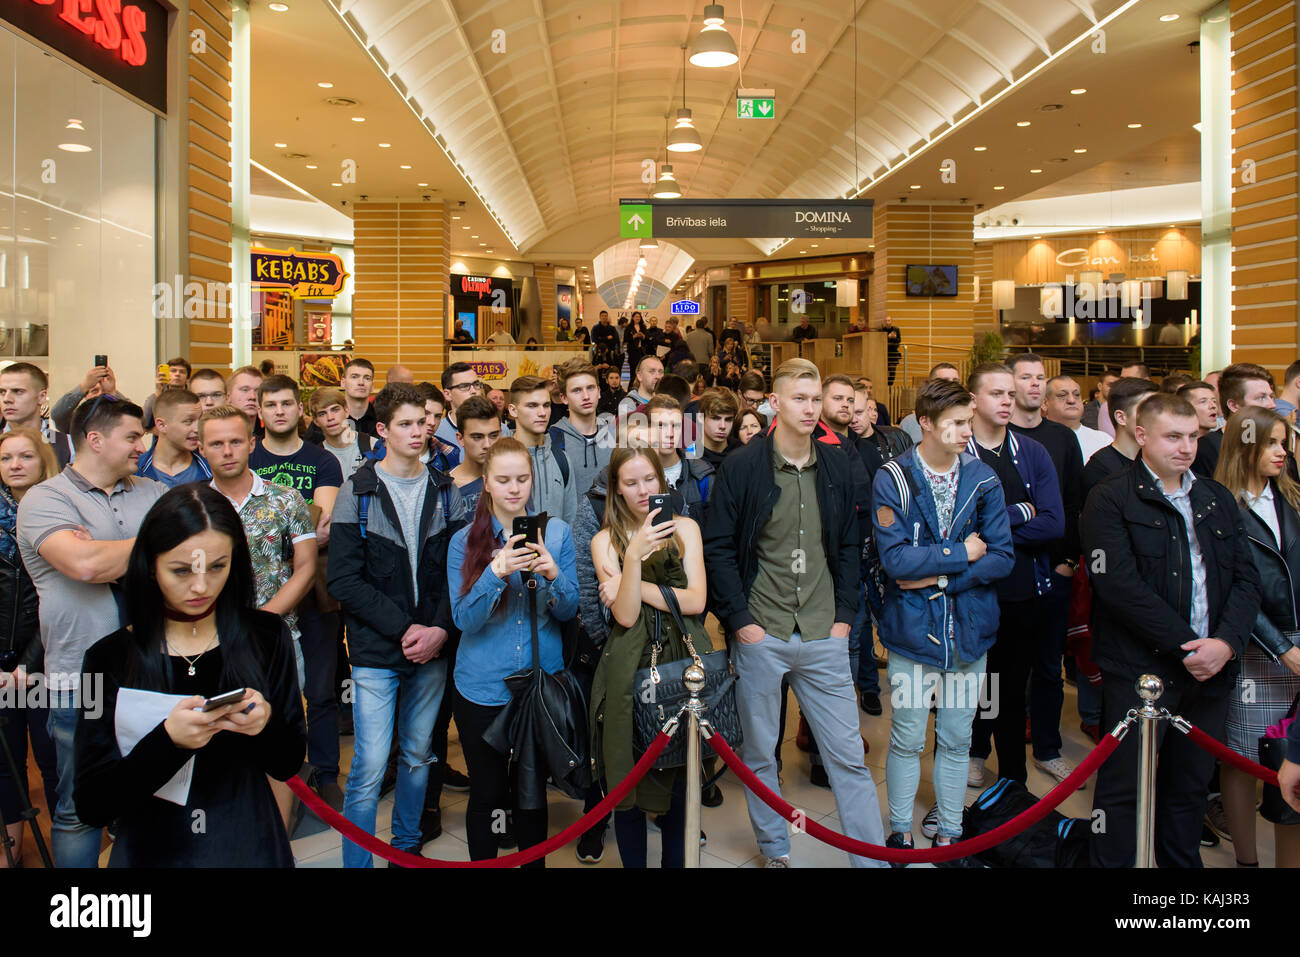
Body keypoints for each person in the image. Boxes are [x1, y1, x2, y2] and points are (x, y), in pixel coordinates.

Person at [703, 357, 888, 868]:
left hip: (826, 631)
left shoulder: (836, 462)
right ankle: (776, 852)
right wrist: (741, 622)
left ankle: (869, 859)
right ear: (775, 403)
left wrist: (845, 615)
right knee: (761, 755)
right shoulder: (742, 467)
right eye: (800, 399)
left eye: (816, 399)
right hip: (763, 631)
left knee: (848, 758)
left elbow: (850, 542)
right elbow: (718, 548)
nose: (810, 409)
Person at [73, 484, 306, 866]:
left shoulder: (266, 636)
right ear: (150, 565)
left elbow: (288, 761)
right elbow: (92, 804)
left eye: (218, 567)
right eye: (181, 571)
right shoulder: (107, 660)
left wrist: (265, 726)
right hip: (153, 848)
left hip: (246, 839)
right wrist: (167, 742)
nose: (201, 587)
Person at [1083, 391, 1261, 867]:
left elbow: (1246, 578)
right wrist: (1188, 647)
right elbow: (1116, 585)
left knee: (1189, 787)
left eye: (1193, 437)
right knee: (1125, 789)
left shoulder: (1215, 496)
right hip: (1143, 670)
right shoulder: (1110, 496)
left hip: (1213, 669)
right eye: (1173, 437)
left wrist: (1224, 644)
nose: (1186, 447)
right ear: (1141, 435)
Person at [15, 395, 167, 866]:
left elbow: (185, 560)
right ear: (95, 440)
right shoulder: (46, 499)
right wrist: (154, 544)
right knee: (79, 808)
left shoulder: (154, 493)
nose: (141, 446)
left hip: (153, 670)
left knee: (154, 799)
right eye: (132, 437)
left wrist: (108, 552)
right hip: (78, 680)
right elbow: (83, 564)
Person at [872, 378, 1014, 864]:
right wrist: (960, 551)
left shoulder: (983, 479)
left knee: (957, 739)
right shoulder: (893, 478)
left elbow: (1002, 556)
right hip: (914, 635)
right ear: (925, 424)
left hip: (969, 633)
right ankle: (899, 830)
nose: (964, 432)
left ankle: (951, 829)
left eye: (967, 422)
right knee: (907, 737)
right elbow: (896, 563)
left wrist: (944, 578)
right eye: (954, 423)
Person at [328, 383, 467, 866]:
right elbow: (343, 580)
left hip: (433, 645)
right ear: (383, 430)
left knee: (417, 754)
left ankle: (405, 849)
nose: (418, 431)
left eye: (422, 423)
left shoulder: (447, 492)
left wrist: (440, 630)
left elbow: (461, 572)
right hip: (376, 651)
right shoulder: (357, 492)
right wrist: (405, 629)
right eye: (405, 424)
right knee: (367, 767)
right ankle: (358, 861)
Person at [447, 437, 577, 866]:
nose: (514, 488)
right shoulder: (464, 541)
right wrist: (494, 573)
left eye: (522, 479)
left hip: (537, 686)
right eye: (503, 480)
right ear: (485, 483)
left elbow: (571, 608)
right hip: (481, 685)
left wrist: (552, 575)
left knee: (531, 793)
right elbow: (463, 621)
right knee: (487, 793)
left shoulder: (556, 533)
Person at [589, 445, 711, 868]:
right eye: (630, 483)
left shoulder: (686, 529)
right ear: (616, 490)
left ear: (662, 481)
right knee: (628, 770)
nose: (643, 491)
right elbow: (623, 615)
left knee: (679, 769)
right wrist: (634, 554)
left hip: (683, 656)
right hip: (630, 664)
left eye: (649, 480)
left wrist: (629, 583)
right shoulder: (604, 540)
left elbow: (696, 601)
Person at [201, 405, 320, 817]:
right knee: (217, 751)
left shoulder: (285, 499)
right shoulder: (192, 503)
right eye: (216, 443)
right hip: (208, 646)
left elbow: (305, 568)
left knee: (281, 751)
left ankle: (277, 848)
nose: (228, 451)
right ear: (202, 448)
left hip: (277, 642)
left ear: (252, 443)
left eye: (236, 441)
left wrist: (261, 622)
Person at [963, 363, 1068, 788]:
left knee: (1010, 687)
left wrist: (992, 528)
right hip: (970, 591)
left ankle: (1013, 781)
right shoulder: (957, 452)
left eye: (1011, 393)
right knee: (974, 687)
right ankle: (973, 751)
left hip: (1023, 591)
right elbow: (953, 527)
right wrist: (1021, 513)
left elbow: (1054, 522)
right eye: (997, 394)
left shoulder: (1033, 452)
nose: (1008, 401)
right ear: (973, 400)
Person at [1213, 407, 1300, 867]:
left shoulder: (1293, 499)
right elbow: (1235, 593)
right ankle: (1247, 862)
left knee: (1295, 760)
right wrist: (1284, 649)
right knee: (1243, 759)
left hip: (1297, 639)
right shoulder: (1221, 506)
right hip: (1254, 647)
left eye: (1284, 443)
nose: (1282, 452)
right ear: (1244, 446)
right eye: (1271, 443)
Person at [1004, 353, 1085, 783]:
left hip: (1053, 569)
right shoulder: (996, 438)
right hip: (1003, 572)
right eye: (1026, 378)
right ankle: (984, 749)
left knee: (1048, 665)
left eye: (1040, 378)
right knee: (997, 668)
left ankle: (1048, 747)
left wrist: (1069, 560)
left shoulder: (1061, 439)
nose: (1034, 385)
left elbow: (1072, 507)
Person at [0, 429, 59, 867]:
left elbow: (57, 598)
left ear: (43, 461)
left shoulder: (59, 512)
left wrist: (27, 664)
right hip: (1, 667)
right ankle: (12, 853)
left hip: (47, 661)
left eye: (25, 456)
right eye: (6, 458)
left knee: (53, 758)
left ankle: (69, 851)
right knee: (6, 765)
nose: (15, 464)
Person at [508, 376, 577, 527]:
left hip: (554, 550)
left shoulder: (561, 459)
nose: (542, 413)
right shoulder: (500, 459)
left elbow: (570, 523)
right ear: (513, 410)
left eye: (546, 405)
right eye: (532, 405)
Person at [1193, 363, 1277, 478]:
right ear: (1234, 405)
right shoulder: (1207, 450)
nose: (1272, 405)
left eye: (1271, 397)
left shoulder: (1278, 447)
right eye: (1261, 398)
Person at [1083, 377, 1160, 499]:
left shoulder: (1158, 460)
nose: (1156, 417)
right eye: (1147, 410)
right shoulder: (1100, 469)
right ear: (1121, 417)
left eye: (1158, 410)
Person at [550, 360, 613, 502]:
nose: (585, 396)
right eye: (576, 390)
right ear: (564, 398)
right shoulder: (554, 439)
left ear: (598, 392)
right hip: (570, 523)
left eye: (590, 388)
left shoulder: (615, 435)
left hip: (613, 522)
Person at [646, 396, 713, 525]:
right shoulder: (632, 474)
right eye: (661, 425)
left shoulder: (702, 476)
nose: (670, 433)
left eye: (675, 426)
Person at [0, 362, 73, 467]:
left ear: (41, 397)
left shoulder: (68, 445)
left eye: (18, 391)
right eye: (2, 392)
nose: (7, 399)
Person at [136, 389, 212, 488]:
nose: (198, 429)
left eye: (200, 420)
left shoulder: (211, 468)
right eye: (189, 421)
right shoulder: (135, 470)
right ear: (162, 425)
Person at [308, 386, 372, 480]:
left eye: (335, 410)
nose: (330, 417)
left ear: (346, 411)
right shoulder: (314, 458)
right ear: (316, 421)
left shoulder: (373, 446)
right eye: (322, 414)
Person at [1043, 374, 1110, 463]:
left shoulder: (1104, 440)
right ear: (1044, 403)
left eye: (1077, 395)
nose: (1071, 400)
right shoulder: (1035, 441)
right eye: (1062, 395)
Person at [898, 363, 961, 444]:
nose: (952, 386)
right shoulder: (910, 424)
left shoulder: (968, 421)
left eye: (955, 382)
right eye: (945, 381)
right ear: (932, 385)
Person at [436, 362, 485, 455]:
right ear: (447, 394)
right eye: (464, 386)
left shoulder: (499, 429)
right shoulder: (437, 432)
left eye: (476, 384)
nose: (473, 391)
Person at [1097, 362, 1151, 438]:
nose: (1123, 384)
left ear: (1146, 381)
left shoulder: (1156, 405)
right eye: (1122, 379)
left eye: (1129, 380)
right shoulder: (1109, 406)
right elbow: (1109, 440)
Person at [141, 356, 191, 431]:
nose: (177, 374)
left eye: (182, 372)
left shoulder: (193, 399)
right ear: (167, 374)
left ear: (188, 378)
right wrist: (158, 391)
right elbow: (144, 423)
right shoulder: (157, 396)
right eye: (173, 371)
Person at [698, 388, 739, 468]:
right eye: (715, 418)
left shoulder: (741, 452)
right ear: (700, 417)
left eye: (728, 419)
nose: (722, 426)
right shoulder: (690, 455)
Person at [226, 366, 264, 437]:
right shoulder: (216, 435)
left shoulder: (270, 437)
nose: (252, 397)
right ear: (228, 397)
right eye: (245, 390)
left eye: (257, 391)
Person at [881, 316, 902, 387]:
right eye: (886, 321)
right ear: (884, 322)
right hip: (884, 354)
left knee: (892, 371)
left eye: (889, 321)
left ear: (891, 322)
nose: (887, 322)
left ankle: (890, 386)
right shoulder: (882, 330)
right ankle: (884, 386)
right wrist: (888, 337)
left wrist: (894, 337)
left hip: (893, 354)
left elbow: (899, 341)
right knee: (883, 371)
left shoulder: (896, 329)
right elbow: (880, 342)